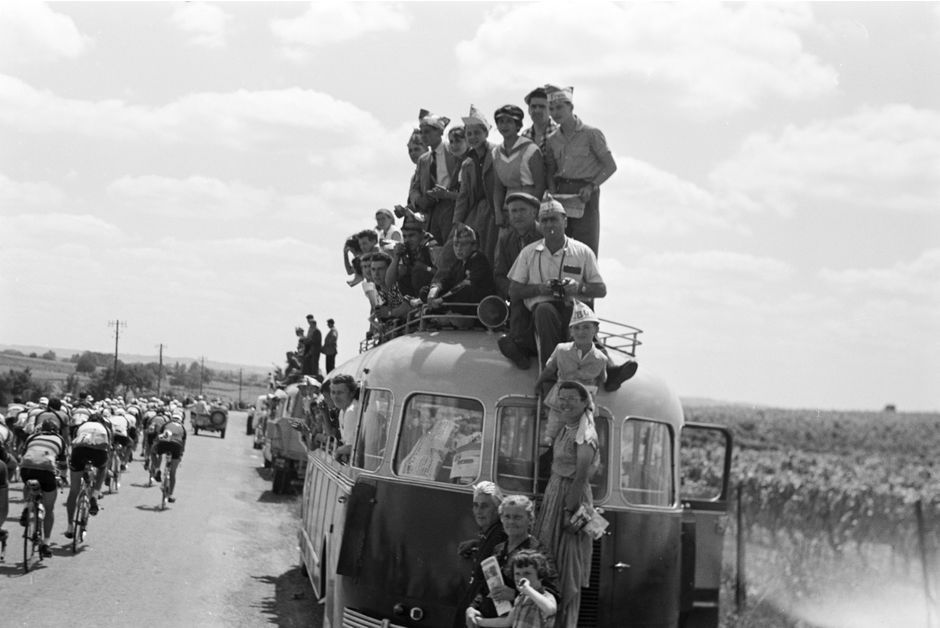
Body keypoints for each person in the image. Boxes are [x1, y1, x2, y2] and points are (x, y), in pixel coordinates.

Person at [499, 195, 606, 370]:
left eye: (554, 219)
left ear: (565, 221)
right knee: (544, 311)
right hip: (541, 312)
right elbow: (514, 291)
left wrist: (579, 287)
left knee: (579, 319)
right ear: (539, 224)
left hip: (573, 311)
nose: (549, 225)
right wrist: (541, 289)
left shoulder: (583, 251)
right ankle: (550, 372)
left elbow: (601, 290)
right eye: (545, 221)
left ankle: (605, 366)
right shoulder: (528, 252)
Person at [533, 381, 600, 626]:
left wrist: (568, 511)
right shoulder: (568, 427)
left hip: (569, 496)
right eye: (562, 398)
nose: (565, 403)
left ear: (585, 403)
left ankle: (561, 621)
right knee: (550, 554)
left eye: (572, 399)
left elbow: (581, 476)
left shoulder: (585, 435)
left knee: (564, 560)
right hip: (557, 490)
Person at [543, 85, 616, 256]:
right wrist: (552, 192)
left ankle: (587, 282)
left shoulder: (591, 134)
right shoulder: (552, 139)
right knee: (561, 245)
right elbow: (551, 170)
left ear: (571, 107)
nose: (555, 112)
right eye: (551, 109)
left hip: (585, 193)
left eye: (560, 107)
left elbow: (610, 166)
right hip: (562, 194)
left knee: (586, 246)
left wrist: (591, 186)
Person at [465, 495, 557, 627]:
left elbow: (553, 594)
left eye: (517, 517)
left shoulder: (538, 552)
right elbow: (487, 585)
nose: (511, 522)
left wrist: (516, 594)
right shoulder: (498, 549)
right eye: (507, 517)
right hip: (487, 621)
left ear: (530, 520)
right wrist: (473, 607)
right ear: (501, 519)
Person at [453, 481, 508, 628]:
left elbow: (492, 579)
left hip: (483, 607)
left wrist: (475, 607)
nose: (478, 511)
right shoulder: (492, 532)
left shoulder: (499, 535)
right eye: (476, 505)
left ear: (498, 509)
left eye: (485, 506)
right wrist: (477, 544)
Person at [454, 105, 499, 265]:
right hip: (476, 209)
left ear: (486, 133)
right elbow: (464, 195)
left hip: (495, 208)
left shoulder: (497, 154)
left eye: (477, 133)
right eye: (469, 133)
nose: (473, 137)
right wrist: (458, 221)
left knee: (492, 248)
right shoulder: (467, 163)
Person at [471, 549, 558, 628]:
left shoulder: (546, 597)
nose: (521, 577)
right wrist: (479, 621)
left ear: (541, 575)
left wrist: (528, 589)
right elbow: (507, 622)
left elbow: (550, 609)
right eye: (517, 574)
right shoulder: (521, 598)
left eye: (527, 573)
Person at [410, 111, 461, 246]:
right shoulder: (424, 159)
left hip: (451, 205)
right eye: (422, 132)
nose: (424, 136)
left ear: (439, 132)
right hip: (431, 210)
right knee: (434, 248)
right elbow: (415, 188)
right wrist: (419, 201)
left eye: (427, 132)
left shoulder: (453, 150)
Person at [18, 419, 67, 558]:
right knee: (49, 508)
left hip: (26, 468)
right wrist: (63, 476)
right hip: (46, 471)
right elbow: (63, 463)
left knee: (27, 484)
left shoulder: (31, 437)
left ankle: (27, 506)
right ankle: (46, 543)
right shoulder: (59, 439)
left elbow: (23, 454)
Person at [492, 104, 545, 230]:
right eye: (500, 122)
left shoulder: (531, 149)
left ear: (518, 125)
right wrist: (498, 212)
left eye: (509, 121)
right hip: (508, 210)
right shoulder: (496, 153)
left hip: (528, 208)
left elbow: (540, 185)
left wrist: (533, 212)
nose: (504, 126)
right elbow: (498, 187)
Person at [427, 224, 497, 320]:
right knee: (426, 291)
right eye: (456, 244)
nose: (459, 249)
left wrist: (442, 299)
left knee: (465, 289)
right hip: (457, 303)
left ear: (474, 246)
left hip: (477, 309)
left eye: (463, 244)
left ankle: (448, 315)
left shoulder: (478, 259)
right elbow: (447, 280)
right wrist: (434, 290)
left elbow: (466, 285)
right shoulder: (458, 262)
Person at [64, 412, 112, 537]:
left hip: (79, 453)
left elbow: (73, 445)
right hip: (98, 453)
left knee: (73, 491)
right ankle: (95, 495)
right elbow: (108, 450)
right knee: (102, 468)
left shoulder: (82, 426)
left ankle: (70, 526)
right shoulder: (105, 428)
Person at [387, 215, 437, 302]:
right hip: (414, 299)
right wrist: (396, 258)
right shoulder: (408, 251)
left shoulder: (432, 247)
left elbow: (443, 275)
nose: (407, 240)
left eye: (411, 236)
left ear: (422, 234)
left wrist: (425, 268)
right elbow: (390, 283)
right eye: (405, 236)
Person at [150, 412, 186, 502]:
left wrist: (155, 446)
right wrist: (180, 455)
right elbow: (183, 444)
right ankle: (170, 495)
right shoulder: (183, 428)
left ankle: (157, 469)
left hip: (164, 443)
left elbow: (159, 437)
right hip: (177, 446)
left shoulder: (166, 424)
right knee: (173, 473)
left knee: (153, 452)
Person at [521, 87, 559, 157]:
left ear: (550, 110)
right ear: (529, 110)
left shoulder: (559, 134)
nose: (537, 110)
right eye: (533, 106)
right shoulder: (524, 137)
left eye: (542, 107)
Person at [329, 374, 359, 462]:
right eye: (333, 392)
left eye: (340, 393)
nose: (335, 397)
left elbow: (352, 447)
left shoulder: (352, 411)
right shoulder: (342, 411)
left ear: (352, 393)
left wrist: (338, 451)